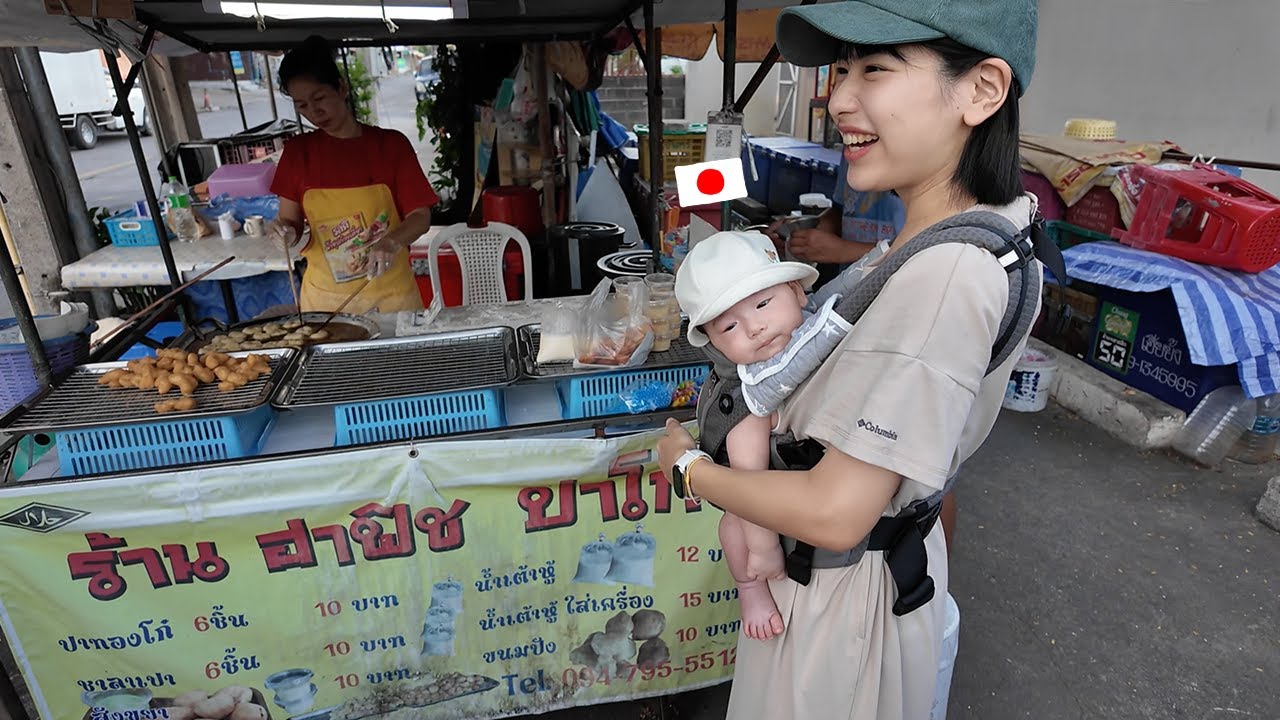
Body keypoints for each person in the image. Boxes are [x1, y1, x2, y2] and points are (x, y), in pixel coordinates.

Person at [657, 1, 1042, 717]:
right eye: (839, 69)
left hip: (845, 604)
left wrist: (689, 467)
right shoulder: (930, 242)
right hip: (843, 584)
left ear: (982, 91)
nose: (837, 98)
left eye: (875, 68)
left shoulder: (946, 274)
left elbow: (836, 511)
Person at [673, 230, 860, 641]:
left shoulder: (813, 336)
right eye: (730, 327)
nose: (755, 328)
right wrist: (764, 549)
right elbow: (746, 482)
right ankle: (750, 588)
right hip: (752, 504)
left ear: (797, 291)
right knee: (734, 529)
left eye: (762, 303)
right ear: (715, 345)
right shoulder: (751, 397)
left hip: (815, 496)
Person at [267, 35, 437, 314]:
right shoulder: (298, 153)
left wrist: (391, 241)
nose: (315, 112)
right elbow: (290, 221)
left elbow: (420, 216)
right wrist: (283, 233)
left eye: (319, 98)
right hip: (325, 304)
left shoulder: (390, 146)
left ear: (341, 87)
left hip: (392, 299)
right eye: (302, 105)